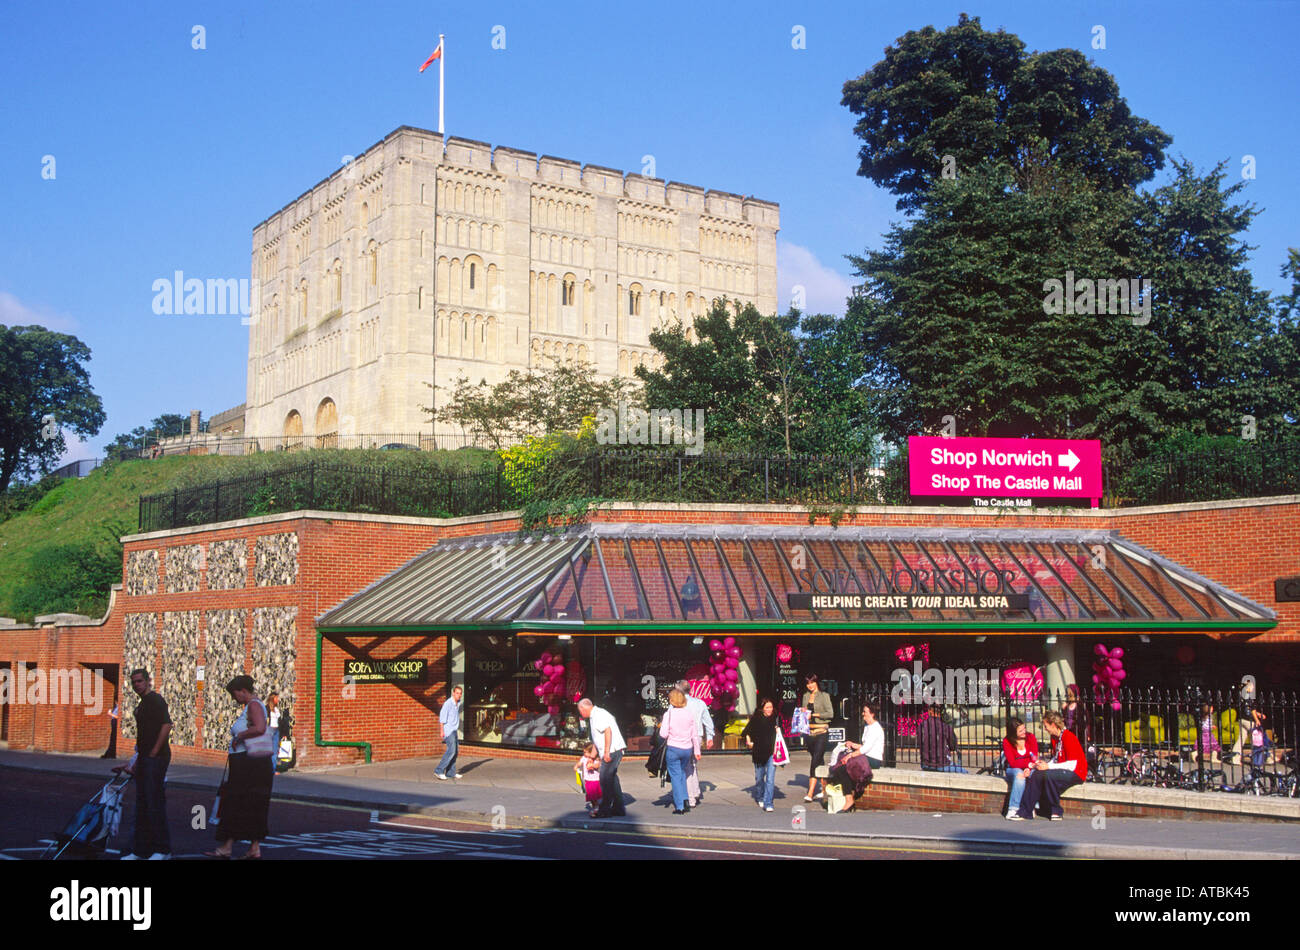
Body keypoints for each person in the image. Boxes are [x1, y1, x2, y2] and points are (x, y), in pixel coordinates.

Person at [206, 675, 273, 858]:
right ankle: (252, 847)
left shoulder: (253, 705)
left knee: (235, 803)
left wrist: (239, 736)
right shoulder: (254, 705)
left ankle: (228, 847)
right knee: (250, 804)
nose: (234, 699)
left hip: (248, 765)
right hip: (250, 764)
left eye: (235, 694)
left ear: (243, 691)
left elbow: (259, 728)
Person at [117, 669, 172, 860]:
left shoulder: (156, 700)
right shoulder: (142, 704)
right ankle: (141, 851)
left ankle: (162, 850)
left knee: (154, 803)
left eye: (140, 681)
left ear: (148, 681)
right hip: (145, 758)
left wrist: (154, 752)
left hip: (156, 759)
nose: (136, 685)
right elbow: (143, 738)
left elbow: (166, 725)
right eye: (133, 682)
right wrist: (138, 761)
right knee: (142, 806)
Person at [1016, 710, 1087, 820]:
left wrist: (1049, 767)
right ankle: (1026, 811)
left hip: (1076, 772)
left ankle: (1056, 811)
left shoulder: (1068, 737)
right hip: (1063, 770)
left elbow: (1072, 764)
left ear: (1053, 725)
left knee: (1049, 775)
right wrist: (1045, 764)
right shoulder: (1055, 738)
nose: (1045, 729)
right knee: (1038, 774)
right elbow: (1057, 758)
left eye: (1046, 726)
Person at [579, 698, 626, 817]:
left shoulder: (598, 715)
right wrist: (593, 756)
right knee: (612, 779)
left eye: (580, 711)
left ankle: (604, 810)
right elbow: (597, 739)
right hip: (612, 750)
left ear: (583, 708)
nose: (580, 714)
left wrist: (606, 752)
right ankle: (618, 808)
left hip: (612, 751)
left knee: (604, 780)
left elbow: (608, 731)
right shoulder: (595, 715)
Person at [659, 689, 701, 815]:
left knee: (676, 777)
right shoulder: (689, 714)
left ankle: (680, 806)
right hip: (687, 749)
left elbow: (663, 733)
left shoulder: (669, 714)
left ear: (671, 700)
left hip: (673, 748)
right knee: (682, 773)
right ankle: (686, 800)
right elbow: (694, 734)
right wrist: (697, 750)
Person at [676, 679, 715, 807]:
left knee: (687, 766)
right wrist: (710, 736)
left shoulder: (678, 704)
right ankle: (696, 791)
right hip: (697, 736)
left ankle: (691, 797)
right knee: (692, 764)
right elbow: (708, 721)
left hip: (684, 737)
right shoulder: (700, 703)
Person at [742, 697, 780, 811]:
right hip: (758, 752)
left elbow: (780, 734)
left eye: (771, 707)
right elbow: (747, 731)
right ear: (762, 708)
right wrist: (749, 741)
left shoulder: (775, 718)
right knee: (759, 778)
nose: (770, 710)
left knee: (770, 779)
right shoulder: (756, 719)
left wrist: (778, 730)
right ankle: (760, 796)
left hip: (772, 753)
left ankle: (768, 803)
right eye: (767, 707)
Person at [801, 673, 834, 802]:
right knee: (819, 760)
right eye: (808, 683)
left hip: (821, 731)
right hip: (809, 732)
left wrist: (814, 714)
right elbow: (804, 712)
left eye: (812, 682)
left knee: (815, 761)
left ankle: (810, 793)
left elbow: (830, 713)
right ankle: (825, 789)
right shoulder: (805, 696)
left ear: (817, 682)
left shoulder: (824, 696)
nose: (810, 685)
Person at [1002, 717, 1039, 820]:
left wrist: (1029, 768)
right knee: (1019, 775)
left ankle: (1029, 806)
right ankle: (1013, 809)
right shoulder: (1007, 741)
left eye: (1024, 729)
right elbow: (1013, 762)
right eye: (1020, 731)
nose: (1024, 732)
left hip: (1029, 768)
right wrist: (1028, 765)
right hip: (1013, 769)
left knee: (1035, 776)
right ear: (1013, 733)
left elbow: (1034, 757)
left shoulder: (1031, 737)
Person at [919, 707, 967, 773]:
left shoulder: (921, 726)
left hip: (925, 764)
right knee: (965, 772)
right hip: (942, 764)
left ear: (929, 711)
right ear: (940, 713)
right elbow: (953, 746)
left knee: (953, 765)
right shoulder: (945, 726)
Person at [844, 702, 884, 770]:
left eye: (864, 712)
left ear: (872, 714)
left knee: (849, 761)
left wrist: (850, 755)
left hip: (874, 760)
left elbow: (865, 748)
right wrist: (852, 744)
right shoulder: (867, 726)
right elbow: (865, 746)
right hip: (867, 756)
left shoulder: (875, 728)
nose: (862, 714)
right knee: (842, 755)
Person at [435, 685, 463, 780]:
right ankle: (439, 770)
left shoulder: (457, 703)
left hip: (454, 730)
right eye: (457, 693)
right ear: (453, 693)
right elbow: (442, 718)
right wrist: (442, 731)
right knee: (451, 751)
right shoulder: (448, 703)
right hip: (448, 731)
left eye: (460, 693)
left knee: (455, 752)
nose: (459, 695)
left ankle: (450, 772)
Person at [576, 742, 602, 812]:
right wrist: (576, 766)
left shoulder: (596, 759)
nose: (584, 754)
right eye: (584, 752)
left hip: (595, 780)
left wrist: (592, 766)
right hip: (587, 779)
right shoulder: (584, 758)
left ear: (592, 753)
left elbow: (597, 765)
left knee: (594, 795)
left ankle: (597, 806)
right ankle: (595, 806)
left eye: (586, 752)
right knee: (590, 795)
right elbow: (579, 763)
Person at [266, 692, 282, 777]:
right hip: (269, 730)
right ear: (273, 698)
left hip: (276, 731)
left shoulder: (276, 709)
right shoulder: (266, 708)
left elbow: (280, 721)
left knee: (275, 751)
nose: (278, 700)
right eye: (277, 698)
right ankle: (266, 769)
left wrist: (283, 733)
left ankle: (273, 769)